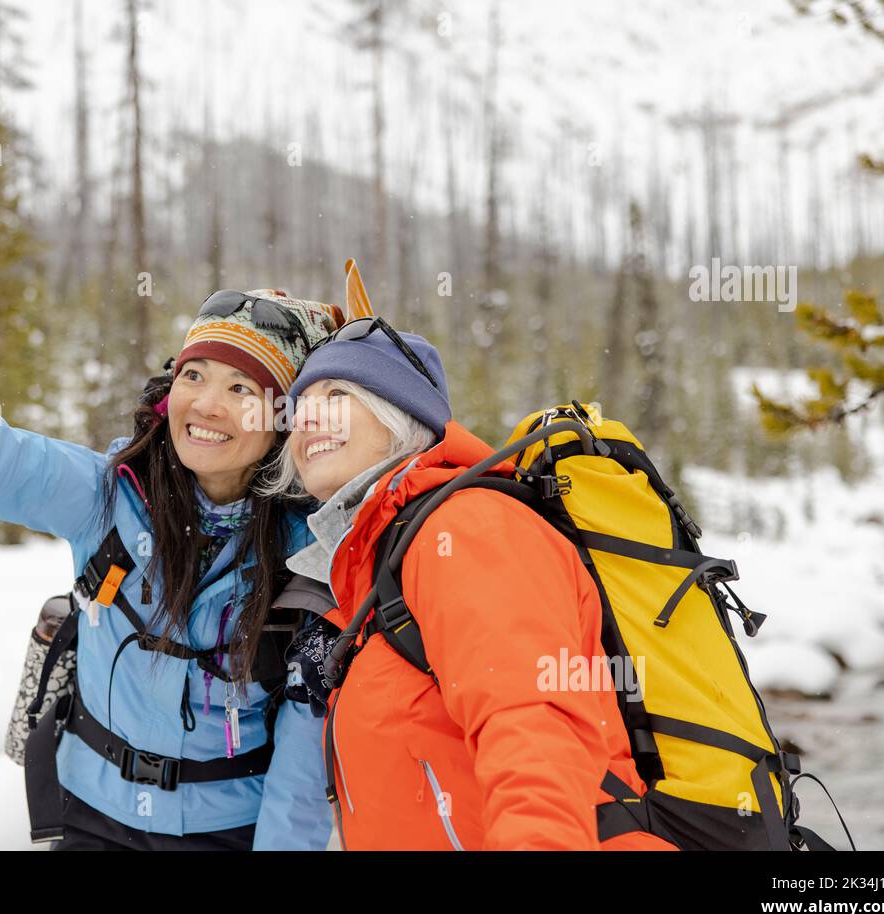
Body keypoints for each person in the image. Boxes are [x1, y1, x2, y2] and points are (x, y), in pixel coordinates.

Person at [0, 237, 342, 850]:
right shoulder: (108, 494)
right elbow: (1, 460)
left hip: (227, 832)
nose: (207, 405)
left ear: (283, 416)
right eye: (194, 374)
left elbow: (303, 761)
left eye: (243, 389)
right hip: (89, 818)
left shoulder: (311, 555)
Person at [264, 317, 679, 850]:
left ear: (401, 416)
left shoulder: (467, 529)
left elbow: (534, 731)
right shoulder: (378, 561)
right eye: (298, 406)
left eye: (338, 393)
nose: (308, 417)